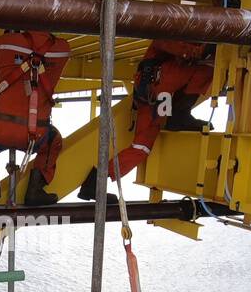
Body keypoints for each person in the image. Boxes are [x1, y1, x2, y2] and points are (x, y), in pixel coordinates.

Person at [78, 39, 214, 201]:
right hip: (157, 84)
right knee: (208, 69)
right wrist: (202, 50)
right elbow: (163, 42)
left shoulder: (184, 27)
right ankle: (180, 116)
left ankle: (94, 183)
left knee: (142, 147)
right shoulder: (179, 26)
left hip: (153, 89)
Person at [0, 30, 71, 207]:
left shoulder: (2, 43)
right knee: (54, 142)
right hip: (36, 133)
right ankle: (35, 190)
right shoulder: (62, 48)